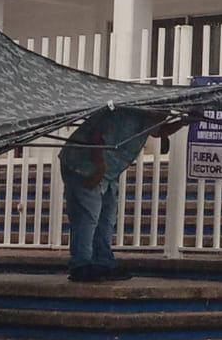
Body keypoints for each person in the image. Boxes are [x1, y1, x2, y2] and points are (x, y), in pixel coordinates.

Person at [59, 109, 170, 282]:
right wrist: (99, 167)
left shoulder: (147, 121)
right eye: (163, 114)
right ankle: (81, 265)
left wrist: (184, 122)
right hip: (83, 165)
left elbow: (159, 131)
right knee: (88, 215)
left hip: (108, 172)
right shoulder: (124, 115)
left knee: (106, 218)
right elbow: (97, 136)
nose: (164, 118)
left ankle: (102, 262)